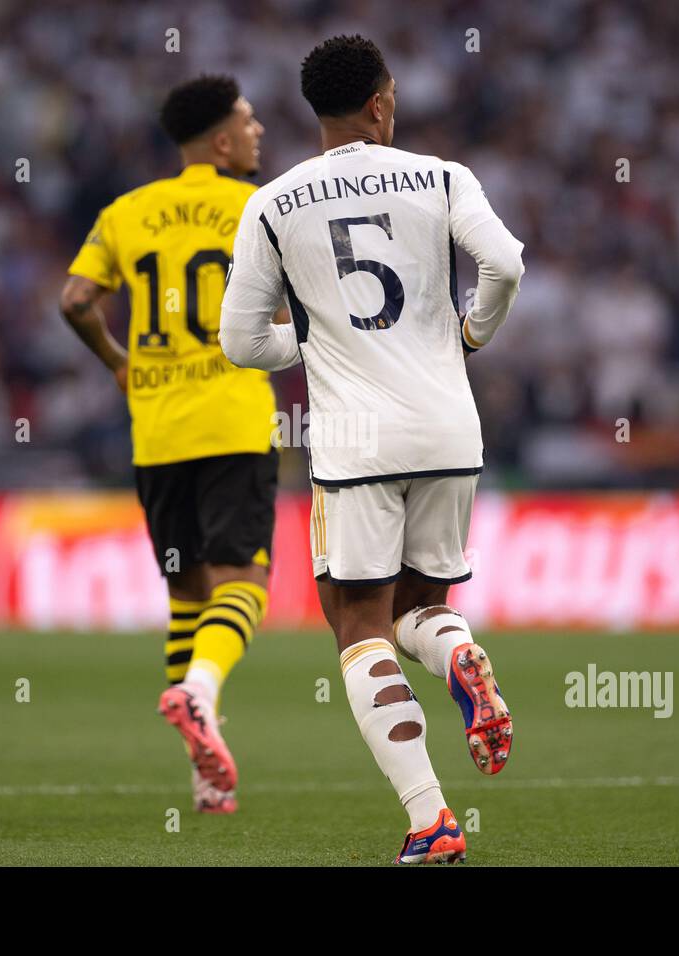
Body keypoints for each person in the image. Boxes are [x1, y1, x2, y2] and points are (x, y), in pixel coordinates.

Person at [220, 35, 524, 863]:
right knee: (424, 608)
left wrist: (314, 342)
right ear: (382, 104)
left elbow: (241, 342)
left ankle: (431, 818)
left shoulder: (274, 203)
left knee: (359, 626)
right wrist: (470, 332)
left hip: (356, 439)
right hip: (449, 429)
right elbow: (503, 262)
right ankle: (458, 652)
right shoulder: (442, 177)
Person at [59, 75, 281, 814]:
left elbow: (76, 301)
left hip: (156, 433)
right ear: (221, 141)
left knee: (187, 594)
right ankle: (197, 691)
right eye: (248, 124)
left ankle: (202, 774)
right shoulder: (257, 207)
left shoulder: (127, 211)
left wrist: (119, 362)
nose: (257, 133)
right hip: (233, 421)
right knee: (243, 583)